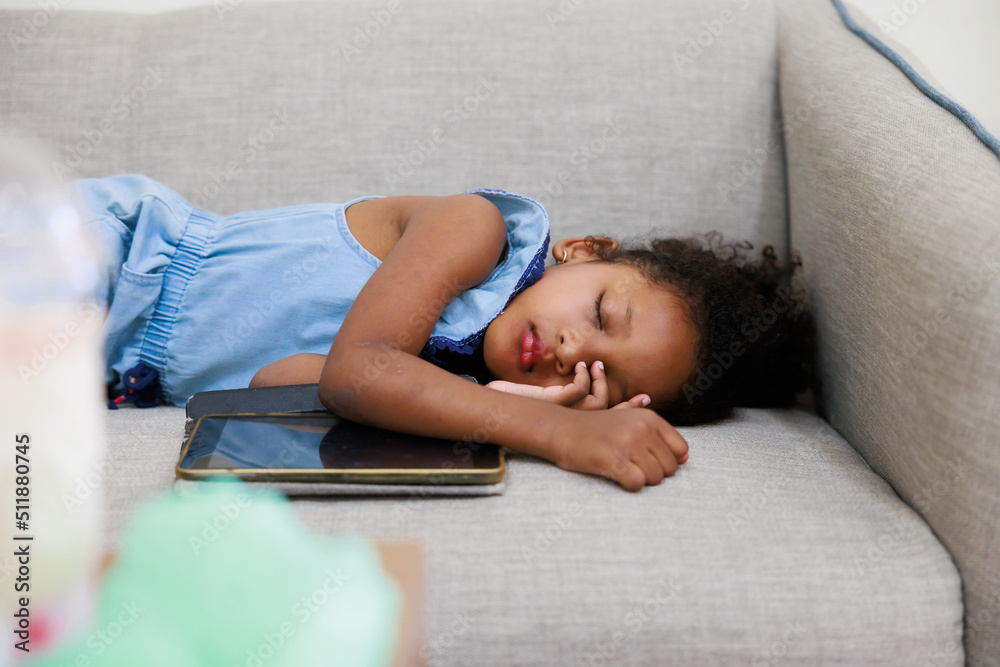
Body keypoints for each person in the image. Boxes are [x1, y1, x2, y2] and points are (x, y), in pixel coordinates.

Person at [74, 174, 815, 492]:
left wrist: (488, 403)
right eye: (599, 315)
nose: (573, 350)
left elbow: (273, 386)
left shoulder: (447, 383)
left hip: (97, 372)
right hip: (104, 264)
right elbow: (355, 370)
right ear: (581, 250)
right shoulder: (475, 229)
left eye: (605, 378)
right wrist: (552, 433)